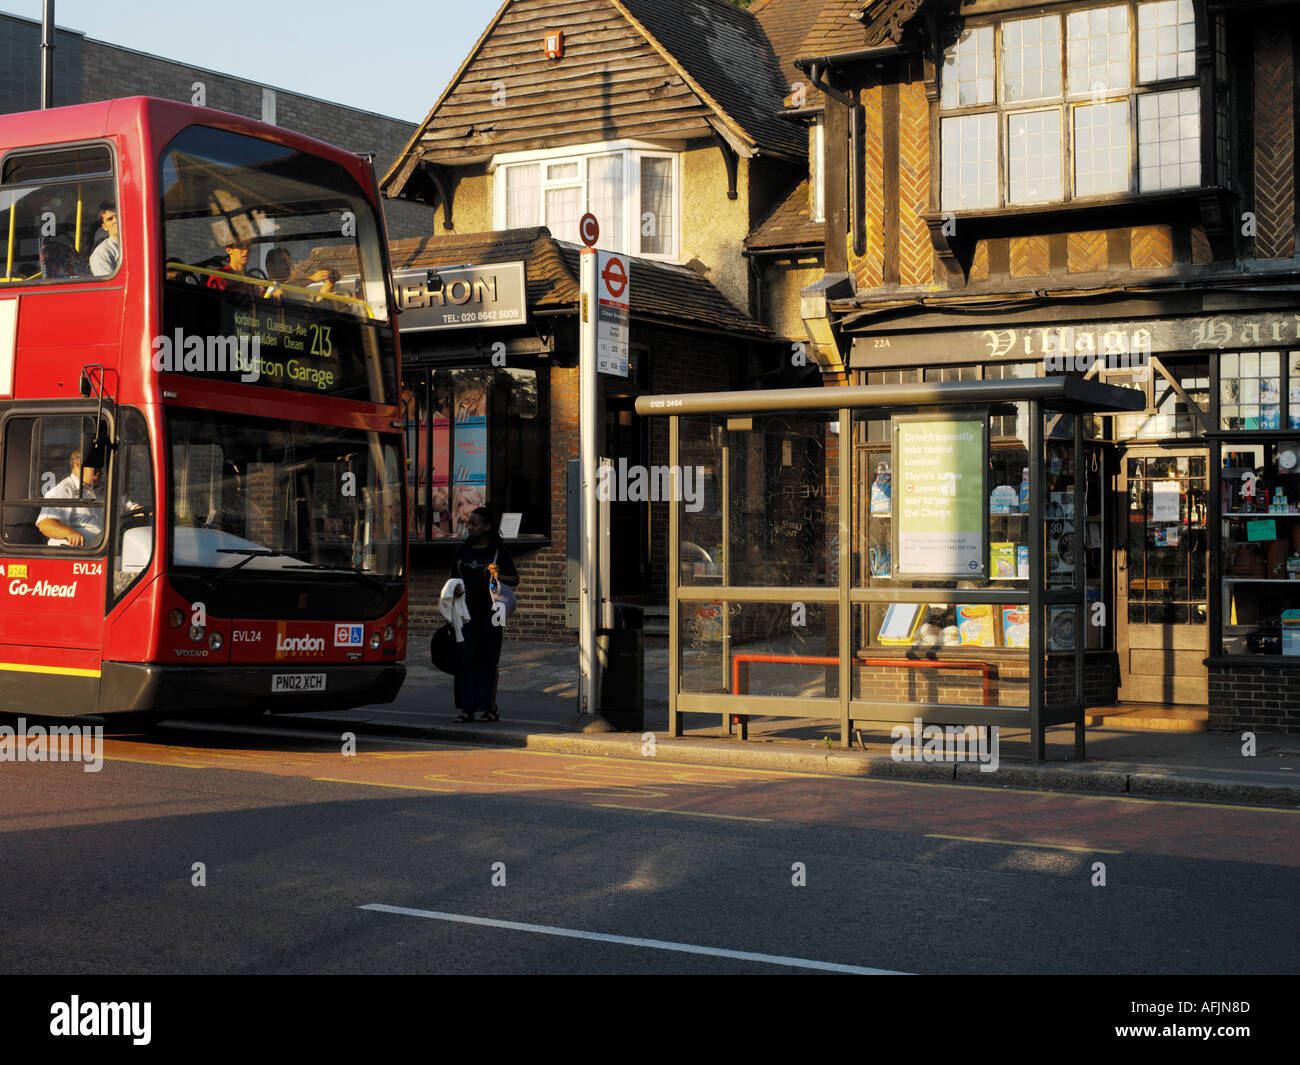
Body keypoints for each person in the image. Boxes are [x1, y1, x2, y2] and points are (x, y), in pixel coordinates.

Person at [449, 507, 519, 722]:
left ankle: (489, 708)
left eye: (474, 524)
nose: (469, 527)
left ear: (487, 527)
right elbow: (452, 579)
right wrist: (455, 590)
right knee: (465, 660)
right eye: (468, 523)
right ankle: (466, 709)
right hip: (465, 614)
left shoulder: (498, 552)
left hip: (491, 614)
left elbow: (515, 580)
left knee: (487, 660)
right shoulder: (463, 550)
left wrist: (497, 574)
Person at [36, 450, 105, 547]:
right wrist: (70, 533)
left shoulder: (100, 492)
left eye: (101, 467)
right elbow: (46, 525)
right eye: (95, 466)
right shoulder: (63, 490)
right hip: (74, 553)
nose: (100, 471)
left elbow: (127, 506)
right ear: (77, 464)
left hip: (101, 550)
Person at [89, 203, 120, 276]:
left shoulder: (142, 243)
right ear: (104, 227)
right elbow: (109, 285)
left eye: (118, 215)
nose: (115, 220)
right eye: (110, 219)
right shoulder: (102, 253)